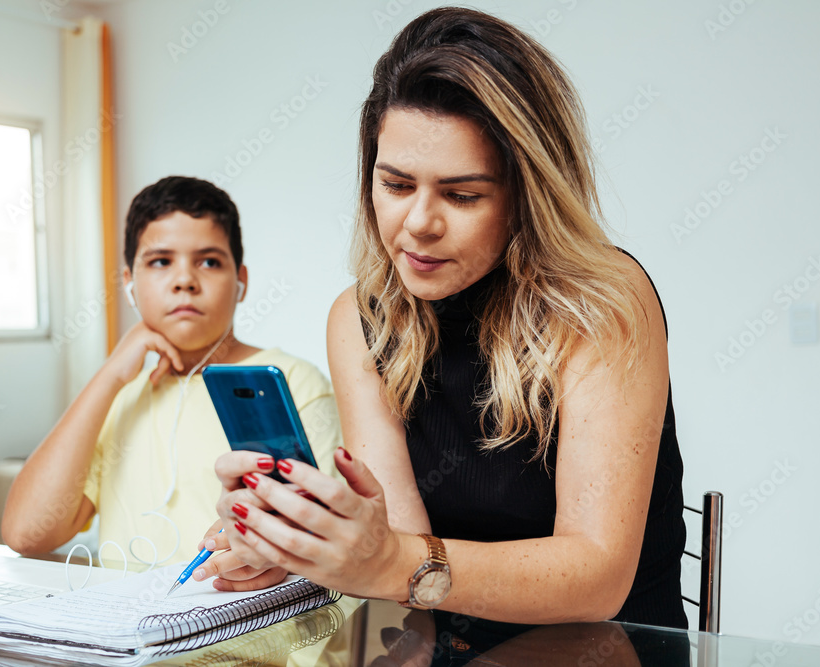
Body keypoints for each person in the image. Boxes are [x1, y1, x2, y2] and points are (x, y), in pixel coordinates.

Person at [214, 5, 688, 634]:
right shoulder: (360, 320)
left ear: (528, 197)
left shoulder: (601, 302)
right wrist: (309, 549)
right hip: (442, 647)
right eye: (396, 185)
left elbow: (596, 578)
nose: (418, 224)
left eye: (462, 195)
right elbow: (398, 559)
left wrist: (387, 560)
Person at [2, 176, 342, 591]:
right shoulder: (121, 397)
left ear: (241, 282)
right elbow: (26, 534)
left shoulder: (295, 383)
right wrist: (110, 375)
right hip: (129, 626)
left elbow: (328, 546)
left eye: (209, 262)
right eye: (161, 261)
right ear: (129, 283)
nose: (185, 281)